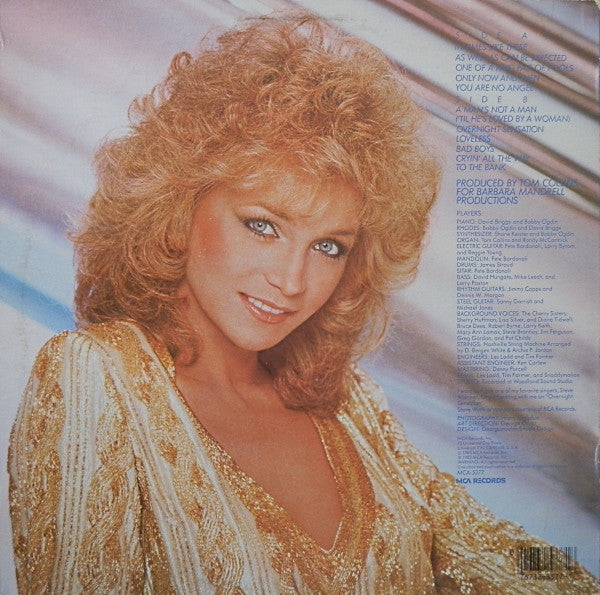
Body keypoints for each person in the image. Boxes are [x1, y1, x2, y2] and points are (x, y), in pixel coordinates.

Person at [7, 12, 598, 594]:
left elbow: (516, 564)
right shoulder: (96, 378)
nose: (292, 281)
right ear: (178, 204)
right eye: (262, 226)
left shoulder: (350, 407)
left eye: (328, 246)